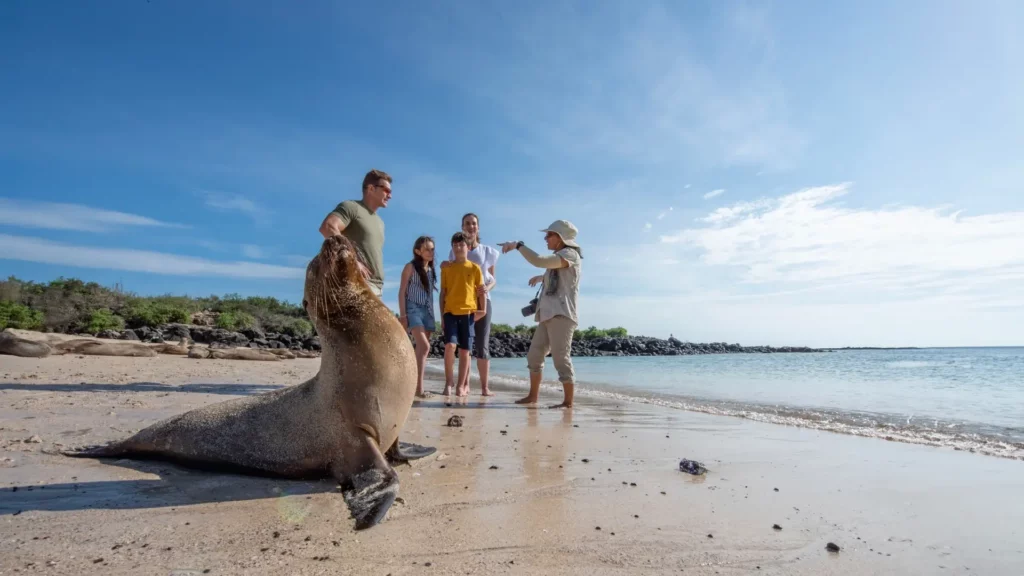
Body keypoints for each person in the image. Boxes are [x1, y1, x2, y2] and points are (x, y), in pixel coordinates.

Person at [499, 220, 582, 409]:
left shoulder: (570, 254)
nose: (546, 238)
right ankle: (533, 396)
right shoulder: (560, 257)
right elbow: (553, 273)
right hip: (546, 315)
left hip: (562, 315)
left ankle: (568, 402)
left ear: (561, 237)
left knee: (561, 358)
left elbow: (539, 261)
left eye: (549, 234)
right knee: (534, 356)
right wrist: (541, 278)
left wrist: (518, 245)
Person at [442, 213, 499, 396]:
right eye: (467, 224)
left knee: (481, 344)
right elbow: (451, 273)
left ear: (478, 227)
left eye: (474, 223)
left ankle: (484, 387)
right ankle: (464, 385)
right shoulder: (455, 249)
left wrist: (486, 289)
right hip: (461, 304)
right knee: (465, 344)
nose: (471, 226)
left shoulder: (487, 251)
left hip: (483, 301)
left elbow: (493, 279)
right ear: (462, 226)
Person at [318, 169, 392, 298]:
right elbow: (328, 227)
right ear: (371, 188)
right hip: (356, 283)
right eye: (386, 190)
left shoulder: (380, 222)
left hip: (377, 287)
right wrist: (351, 260)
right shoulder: (352, 207)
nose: (390, 195)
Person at [440, 232, 486, 397]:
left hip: (468, 313)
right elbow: (443, 293)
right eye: (455, 245)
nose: (458, 247)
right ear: (452, 247)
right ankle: (448, 383)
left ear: (467, 247)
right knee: (450, 347)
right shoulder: (447, 268)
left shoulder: (475, 268)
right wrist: (442, 315)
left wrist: (484, 309)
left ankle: (460, 386)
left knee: (465, 351)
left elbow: (481, 292)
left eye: (461, 245)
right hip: (450, 312)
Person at [398, 236, 437, 398]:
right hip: (413, 309)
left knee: (421, 351)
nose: (430, 252)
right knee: (425, 346)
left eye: (432, 249)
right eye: (427, 249)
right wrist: (403, 315)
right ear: (417, 251)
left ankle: (412, 386)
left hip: (428, 312)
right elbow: (401, 292)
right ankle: (418, 390)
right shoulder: (410, 267)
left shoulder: (431, 270)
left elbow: (430, 295)